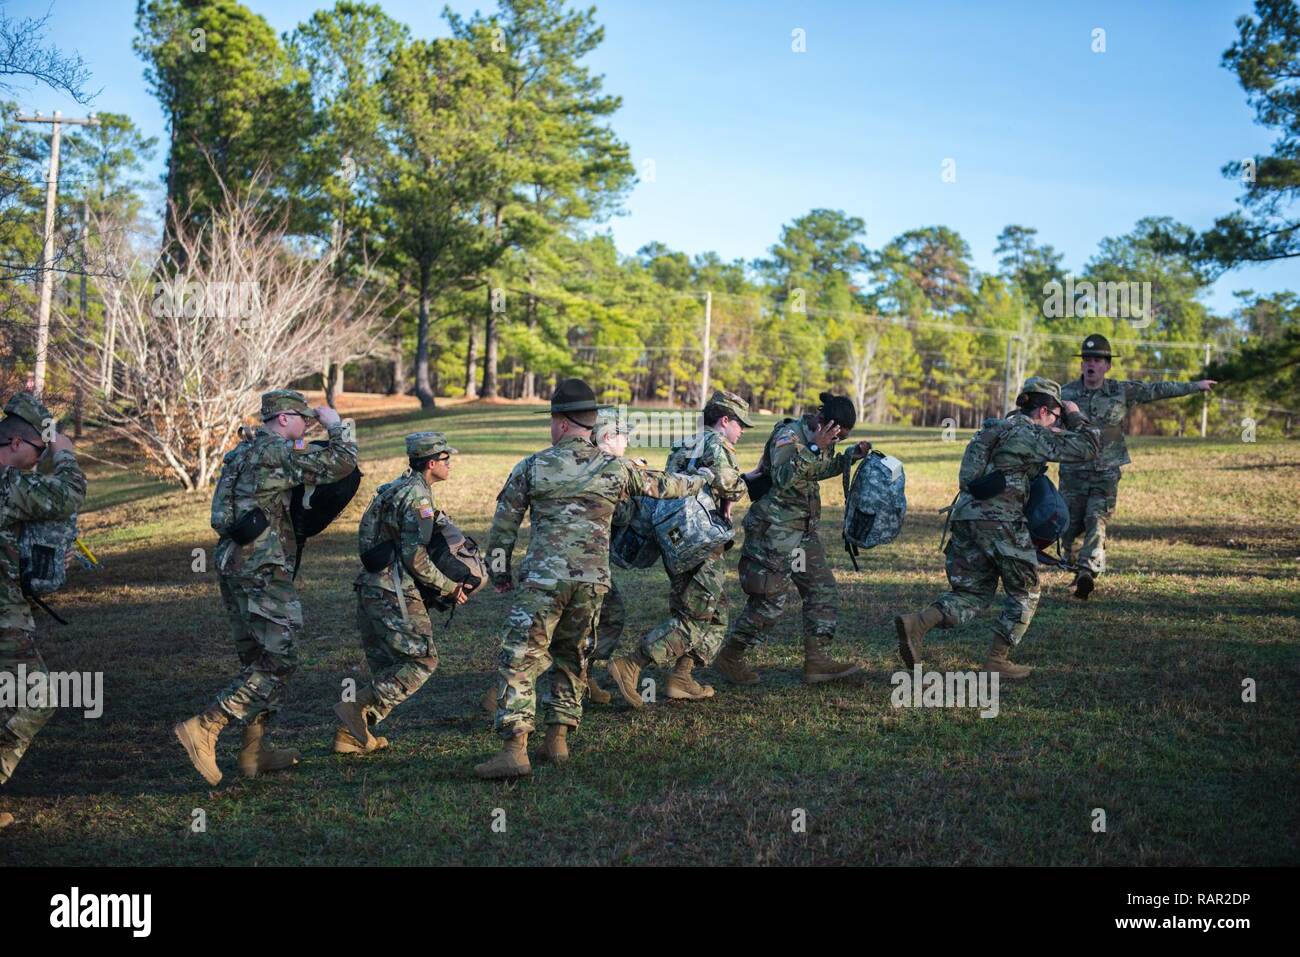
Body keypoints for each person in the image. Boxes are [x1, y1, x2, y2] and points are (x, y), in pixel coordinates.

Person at [475, 379, 711, 779]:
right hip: (592, 583)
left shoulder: (532, 467)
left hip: (543, 583)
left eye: (552, 420)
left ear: (562, 423)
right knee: (573, 657)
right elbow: (667, 486)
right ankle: (558, 740)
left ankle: (515, 750)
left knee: (520, 658)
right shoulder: (616, 469)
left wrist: (499, 571)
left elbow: (503, 528)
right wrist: (702, 478)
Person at [175, 390, 357, 785]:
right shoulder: (275, 453)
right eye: (303, 421)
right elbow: (342, 464)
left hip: (233, 564)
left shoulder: (242, 452)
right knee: (281, 659)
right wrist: (336, 427)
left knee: (257, 659)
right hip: (262, 568)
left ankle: (253, 751)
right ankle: (206, 725)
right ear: (285, 418)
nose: (307, 428)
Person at [894, 377, 1101, 678]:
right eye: (1055, 416)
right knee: (1026, 590)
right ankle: (997, 660)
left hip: (965, 516)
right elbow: (1089, 447)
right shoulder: (1030, 434)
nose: (1057, 421)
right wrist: (1074, 414)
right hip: (1000, 519)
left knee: (974, 592)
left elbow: (968, 476)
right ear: (1044, 410)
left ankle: (917, 624)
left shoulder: (994, 428)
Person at [606, 390, 753, 707]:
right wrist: (738, 487)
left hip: (675, 539)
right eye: (740, 424)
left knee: (715, 612)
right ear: (724, 420)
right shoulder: (717, 445)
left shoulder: (686, 442)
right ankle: (632, 663)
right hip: (700, 540)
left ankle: (682, 677)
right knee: (697, 617)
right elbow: (733, 484)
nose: (742, 431)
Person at [715, 392, 870, 686]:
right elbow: (784, 477)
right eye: (836, 435)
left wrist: (849, 456)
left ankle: (817, 662)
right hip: (774, 533)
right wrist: (814, 447)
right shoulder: (789, 436)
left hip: (802, 534)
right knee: (769, 604)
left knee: (822, 590)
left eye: (842, 438)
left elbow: (816, 470)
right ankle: (730, 657)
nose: (836, 441)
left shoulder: (820, 438)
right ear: (824, 423)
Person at [333, 432, 468, 755]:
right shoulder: (418, 498)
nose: (451, 464)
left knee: (388, 667)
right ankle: (355, 707)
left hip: (371, 586)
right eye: (447, 459)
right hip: (393, 589)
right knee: (423, 659)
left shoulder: (394, 487)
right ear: (432, 463)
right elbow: (416, 557)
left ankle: (350, 736)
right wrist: (450, 588)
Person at [1059, 334, 1216, 599]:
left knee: (1096, 519)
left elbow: (1158, 390)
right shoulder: (1065, 394)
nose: (1091, 364)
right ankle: (1078, 569)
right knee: (1069, 528)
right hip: (1073, 472)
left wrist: (1195, 386)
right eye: (1087, 359)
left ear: (1107, 365)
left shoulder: (1121, 390)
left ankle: (1087, 570)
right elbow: (1042, 416)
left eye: (1097, 360)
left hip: (1105, 471)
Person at [0, 393, 86, 831]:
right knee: (39, 698)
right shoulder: (7, 482)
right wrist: (64, 451)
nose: (38, 461)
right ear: (15, 443)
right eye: (36, 451)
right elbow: (69, 493)